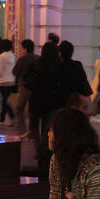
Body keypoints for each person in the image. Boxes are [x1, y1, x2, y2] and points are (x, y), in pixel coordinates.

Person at [25, 42, 64, 177]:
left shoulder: (36, 64)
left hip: (36, 100)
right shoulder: (58, 66)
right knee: (47, 128)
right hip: (51, 101)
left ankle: (38, 149)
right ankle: (46, 148)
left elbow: (26, 78)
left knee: (34, 127)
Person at [12, 39, 37, 137]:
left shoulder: (22, 59)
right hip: (35, 88)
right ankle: (32, 131)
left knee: (19, 108)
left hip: (24, 87)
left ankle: (22, 130)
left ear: (25, 49)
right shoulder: (37, 58)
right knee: (32, 110)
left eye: (22, 48)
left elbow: (15, 71)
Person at [57, 40, 92, 107]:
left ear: (60, 52)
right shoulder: (77, 65)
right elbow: (83, 79)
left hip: (61, 99)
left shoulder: (58, 66)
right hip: (75, 99)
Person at [0, 39, 17, 123]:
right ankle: (2, 117)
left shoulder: (0, 56)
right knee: (6, 100)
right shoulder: (14, 56)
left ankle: (11, 115)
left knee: (5, 100)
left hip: (3, 81)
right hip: (12, 81)